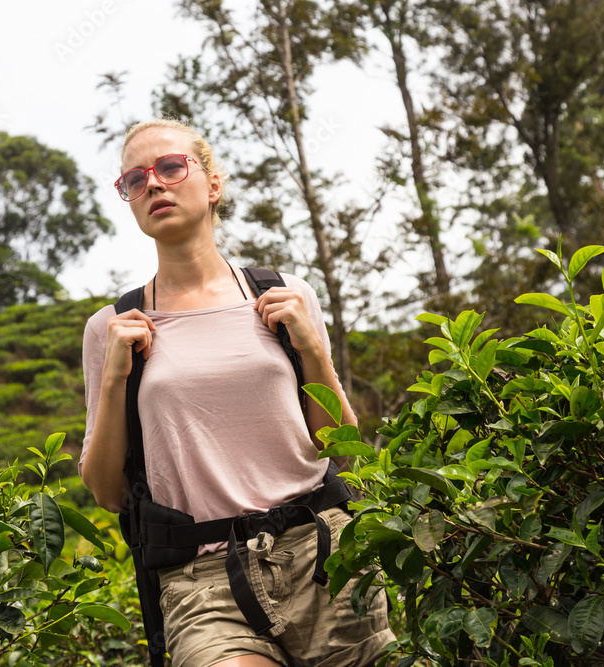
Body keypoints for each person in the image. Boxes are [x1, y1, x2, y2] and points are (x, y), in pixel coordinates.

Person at [80, 118, 395, 667]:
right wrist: (114, 380)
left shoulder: (286, 295)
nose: (153, 185)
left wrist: (314, 353)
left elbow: (339, 446)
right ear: (129, 200)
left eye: (171, 167)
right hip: (203, 580)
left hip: (324, 554)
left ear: (213, 184)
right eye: (134, 179)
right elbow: (107, 493)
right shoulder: (111, 326)